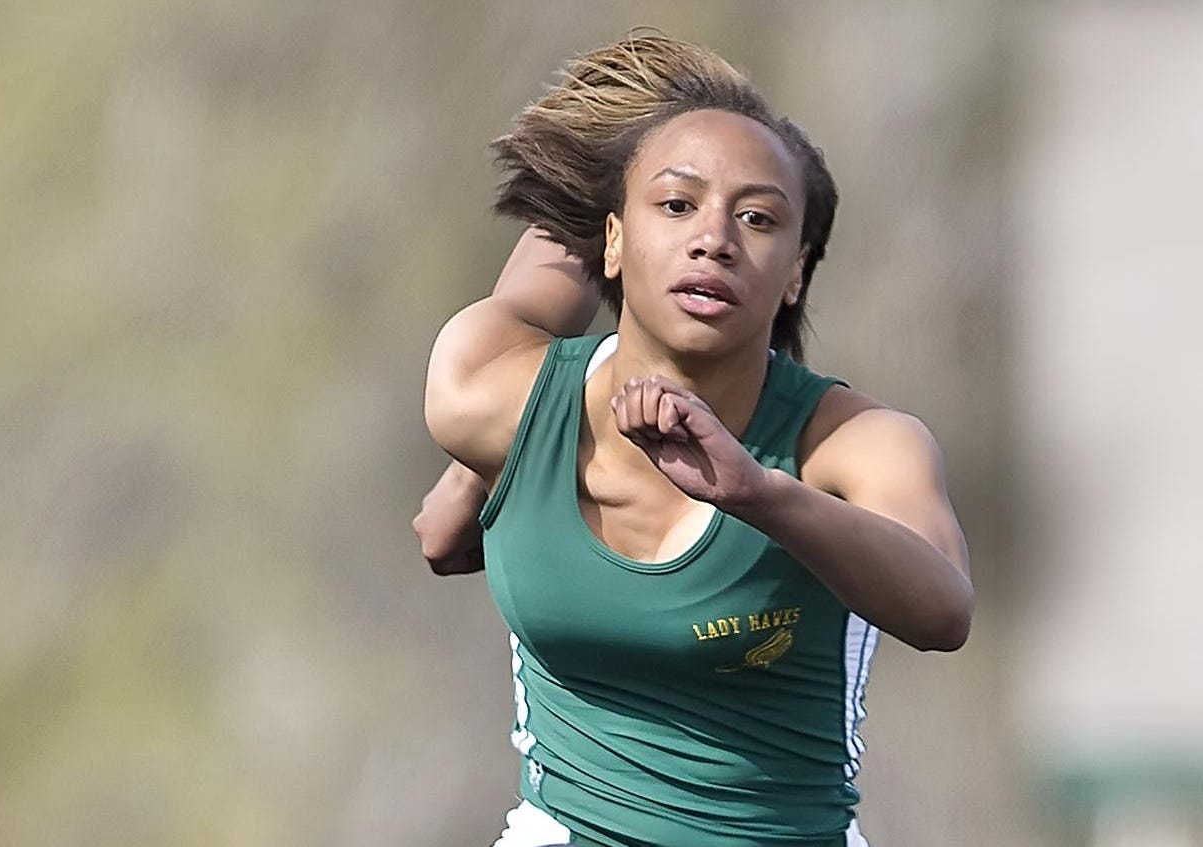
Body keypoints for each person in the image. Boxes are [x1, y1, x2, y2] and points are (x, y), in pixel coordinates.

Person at [414, 34, 972, 847]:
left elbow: (944, 608)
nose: (714, 238)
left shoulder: (854, 444)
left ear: (796, 273)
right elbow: (440, 532)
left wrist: (759, 492)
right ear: (606, 239)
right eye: (678, 205)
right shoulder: (490, 390)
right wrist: (479, 472)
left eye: (757, 218)